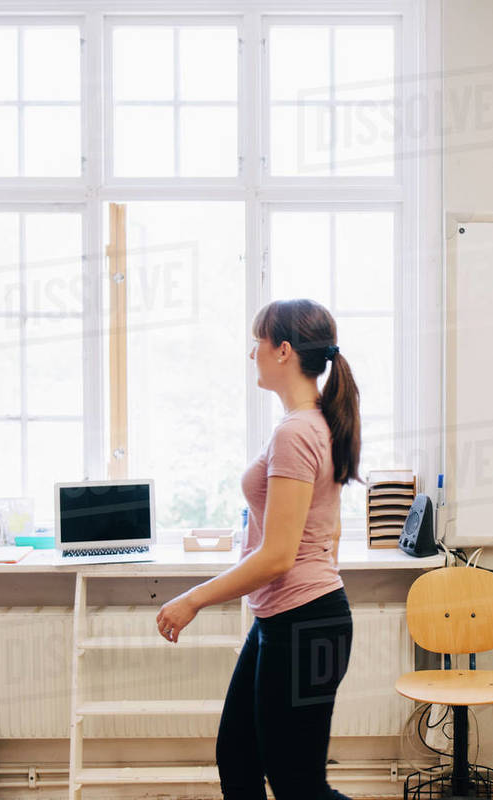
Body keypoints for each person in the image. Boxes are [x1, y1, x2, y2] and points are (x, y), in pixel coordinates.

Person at [155, 298, 361, 800]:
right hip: (290, 619)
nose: (253, 354)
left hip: (304, 624)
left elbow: (277, 556)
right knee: (239, 757)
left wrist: (192, 600)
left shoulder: (297, 432)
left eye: (258, 343)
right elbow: (326, 529)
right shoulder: (318, 422)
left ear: (284, 350)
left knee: (298, 786)